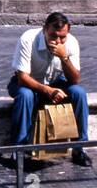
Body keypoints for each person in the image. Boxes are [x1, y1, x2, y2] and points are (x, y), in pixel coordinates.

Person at [8, 12, 91, 167]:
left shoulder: (71, 43)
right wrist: (47, 90)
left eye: (62, 37)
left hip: (56, 83)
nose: (57, 41)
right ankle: (18, 150)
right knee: (25, 96)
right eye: (53, 36)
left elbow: (75, 79)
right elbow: (22, 77)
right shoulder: (28, 39)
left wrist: (63, 57)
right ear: (44, 29)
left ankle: (80, 148)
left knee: (79, 93)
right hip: (29, 84)